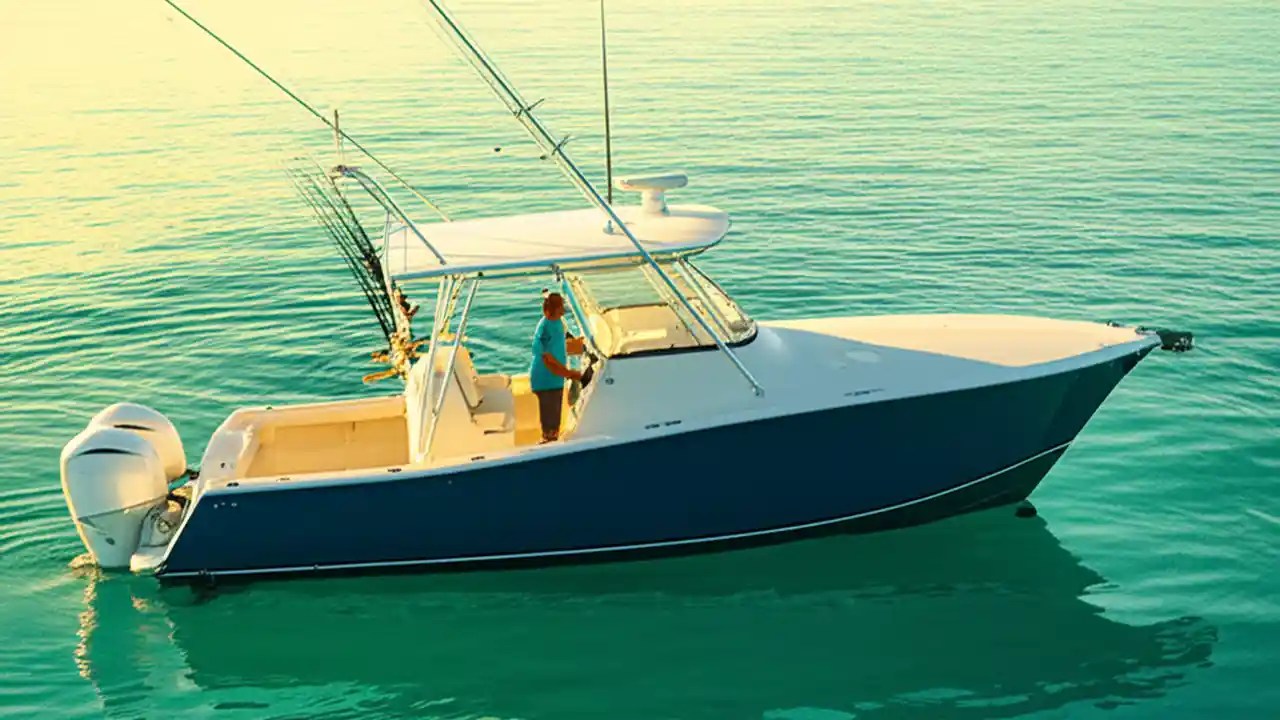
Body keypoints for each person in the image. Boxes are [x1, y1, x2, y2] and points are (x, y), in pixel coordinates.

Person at [529, 292, 584, 442]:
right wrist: (570, 374)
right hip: (546, 380)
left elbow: (564, 341)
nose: (563, 310)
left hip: (557, 379)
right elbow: (549, 361)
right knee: (550, 427)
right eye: (560, 308)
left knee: (556, 423)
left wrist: (584, 345)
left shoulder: (559, 322)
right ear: (549, 311)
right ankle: (547, 445)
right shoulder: (544, 328)